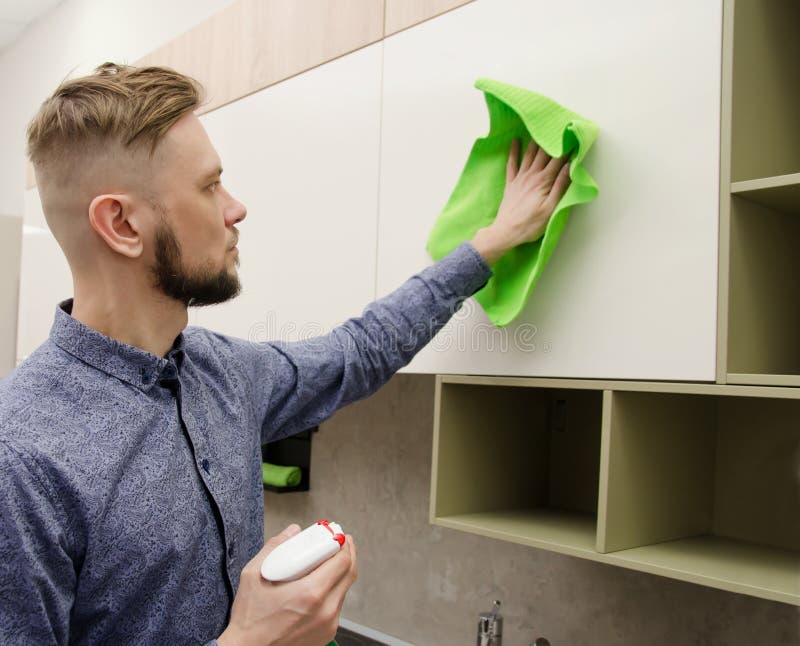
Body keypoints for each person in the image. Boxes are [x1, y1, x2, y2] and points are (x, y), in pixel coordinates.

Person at [0, 62, 571, 645]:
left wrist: (489, 245)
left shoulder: (223, 373)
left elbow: (360, 351)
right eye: (208, 185)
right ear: (121, 223)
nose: (235, 207)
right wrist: (252, 639)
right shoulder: (20, 457)